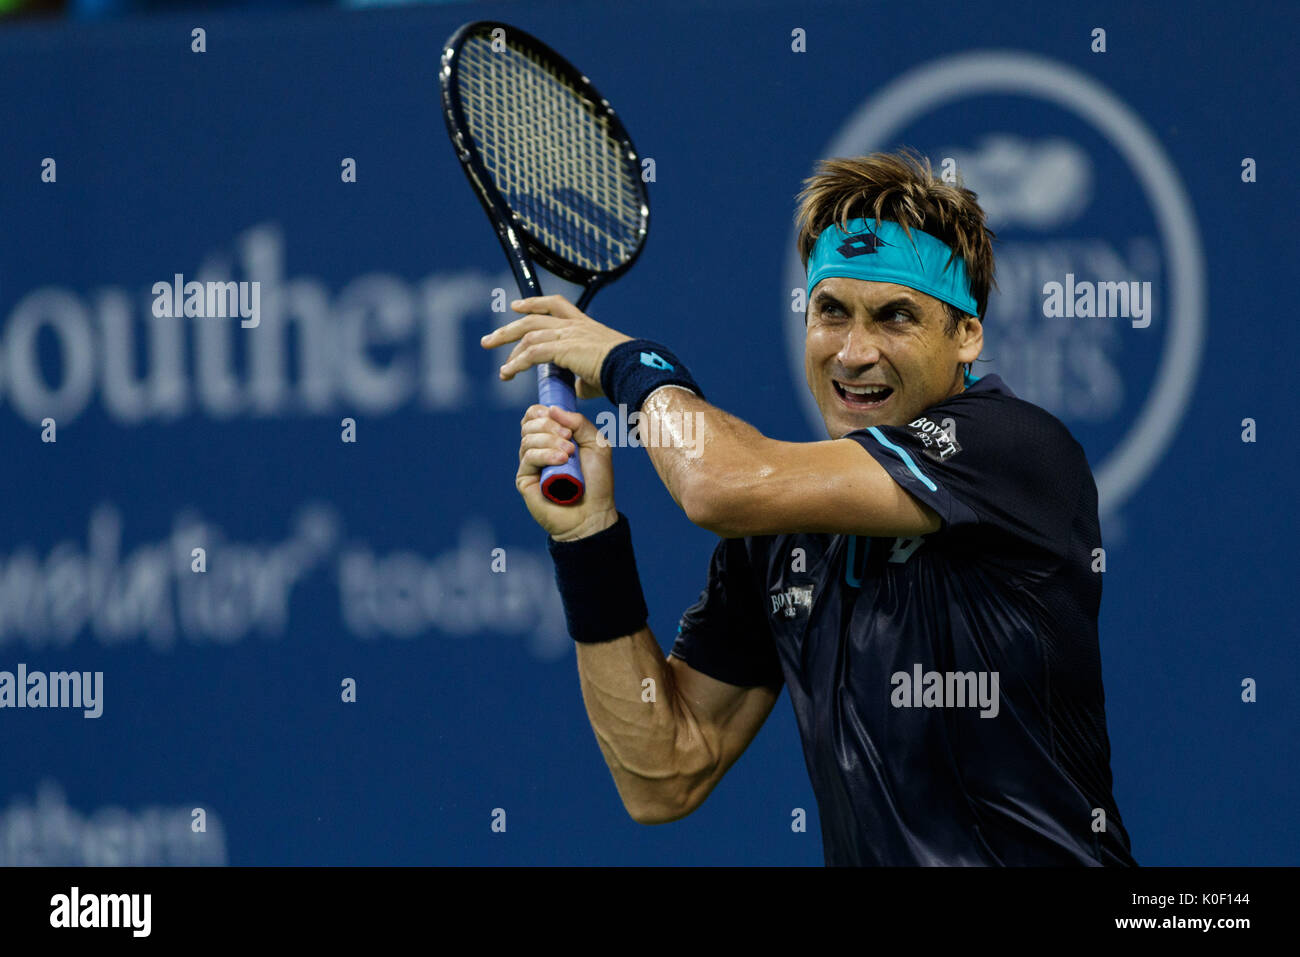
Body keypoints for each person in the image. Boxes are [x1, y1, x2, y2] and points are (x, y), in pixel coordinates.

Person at [480, 149, 1137, 866]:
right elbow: (663, 774)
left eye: (895, 317)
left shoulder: (1015, 448)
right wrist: (587, 540)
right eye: (831, 312)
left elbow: (715, 484)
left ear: (966, 335)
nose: (853, 352)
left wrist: (632, 366)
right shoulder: (782, 535)